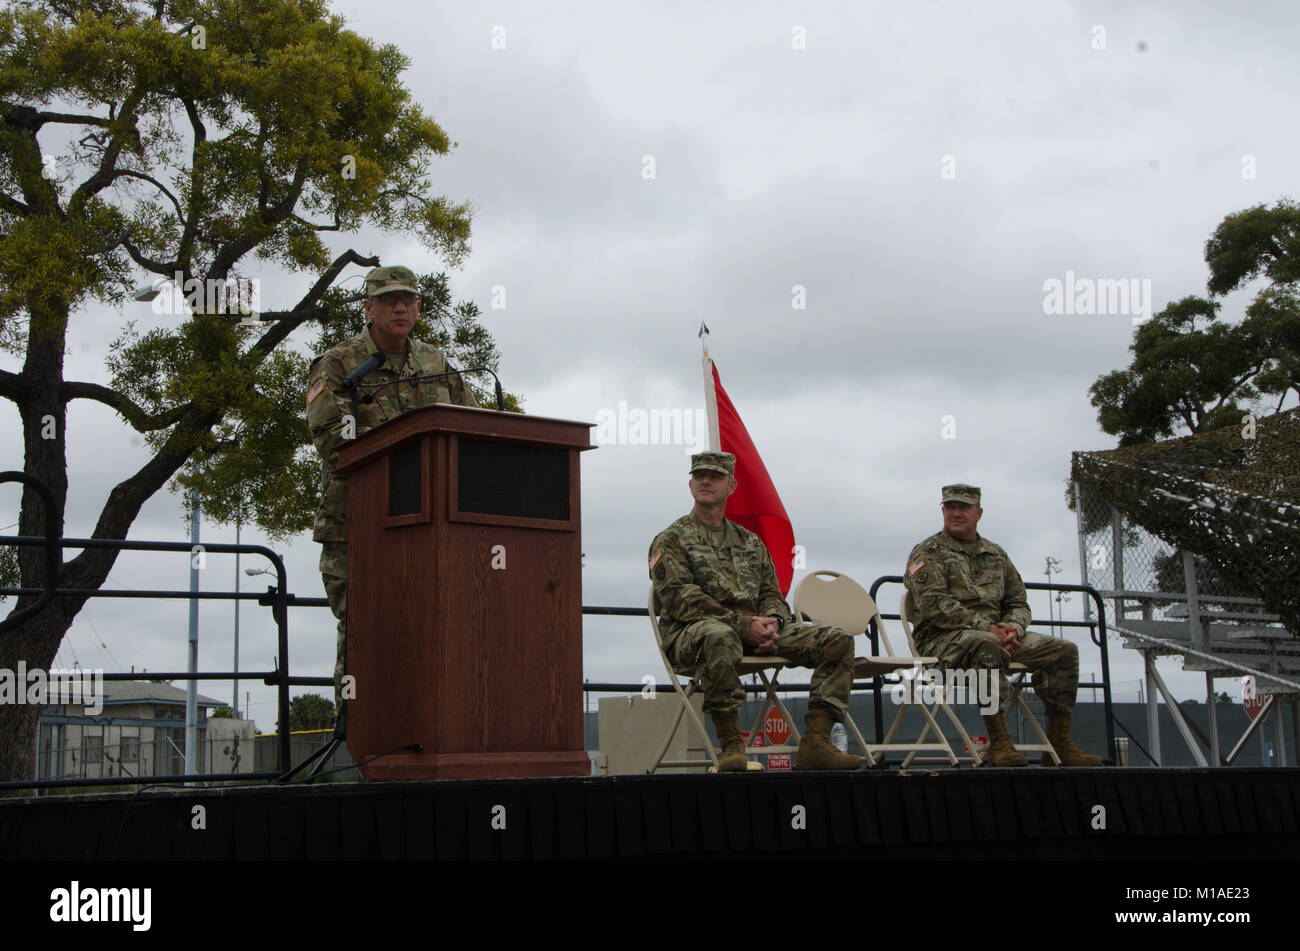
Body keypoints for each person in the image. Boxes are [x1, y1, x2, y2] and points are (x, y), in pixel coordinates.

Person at [307, 265, 478, 702]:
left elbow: (475, 428)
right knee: (364, 628)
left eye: (407, 300)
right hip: (358, 523)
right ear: (368, 307)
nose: (399, 307)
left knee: (429, 624)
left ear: (418, 308)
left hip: (430, 523)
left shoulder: (435, 363)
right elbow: (333, 442)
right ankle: (356, 737)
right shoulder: (340, 364)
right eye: (388, 300)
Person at [649, 451, 861, 772]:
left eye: (715, 476)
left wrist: (774, 623)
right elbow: (683, 600)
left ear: (731, 485)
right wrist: (742, 624)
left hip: (754, 634)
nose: (706, 481)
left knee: (838, 641)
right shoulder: (671, 540)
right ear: (691, 484)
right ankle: (732, 745)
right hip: (694, 636)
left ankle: (817, 743)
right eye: (699, 476)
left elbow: (771, 594)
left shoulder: (750, 542)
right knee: (718, 635)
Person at [903, 484, 1101, 767]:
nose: (956, 513)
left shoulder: (996, 554)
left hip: (997, 638)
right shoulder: (928, 552)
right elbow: (935, 605)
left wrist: (1013, 629)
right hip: (941, 642)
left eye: (964, 507)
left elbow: (1019, 602)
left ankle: (1058, 743)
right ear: (943, 510)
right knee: (987, 644)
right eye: (950, 507)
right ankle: (1000, 741)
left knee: (1063, 651)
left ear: (978, 513)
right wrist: (989, 628)